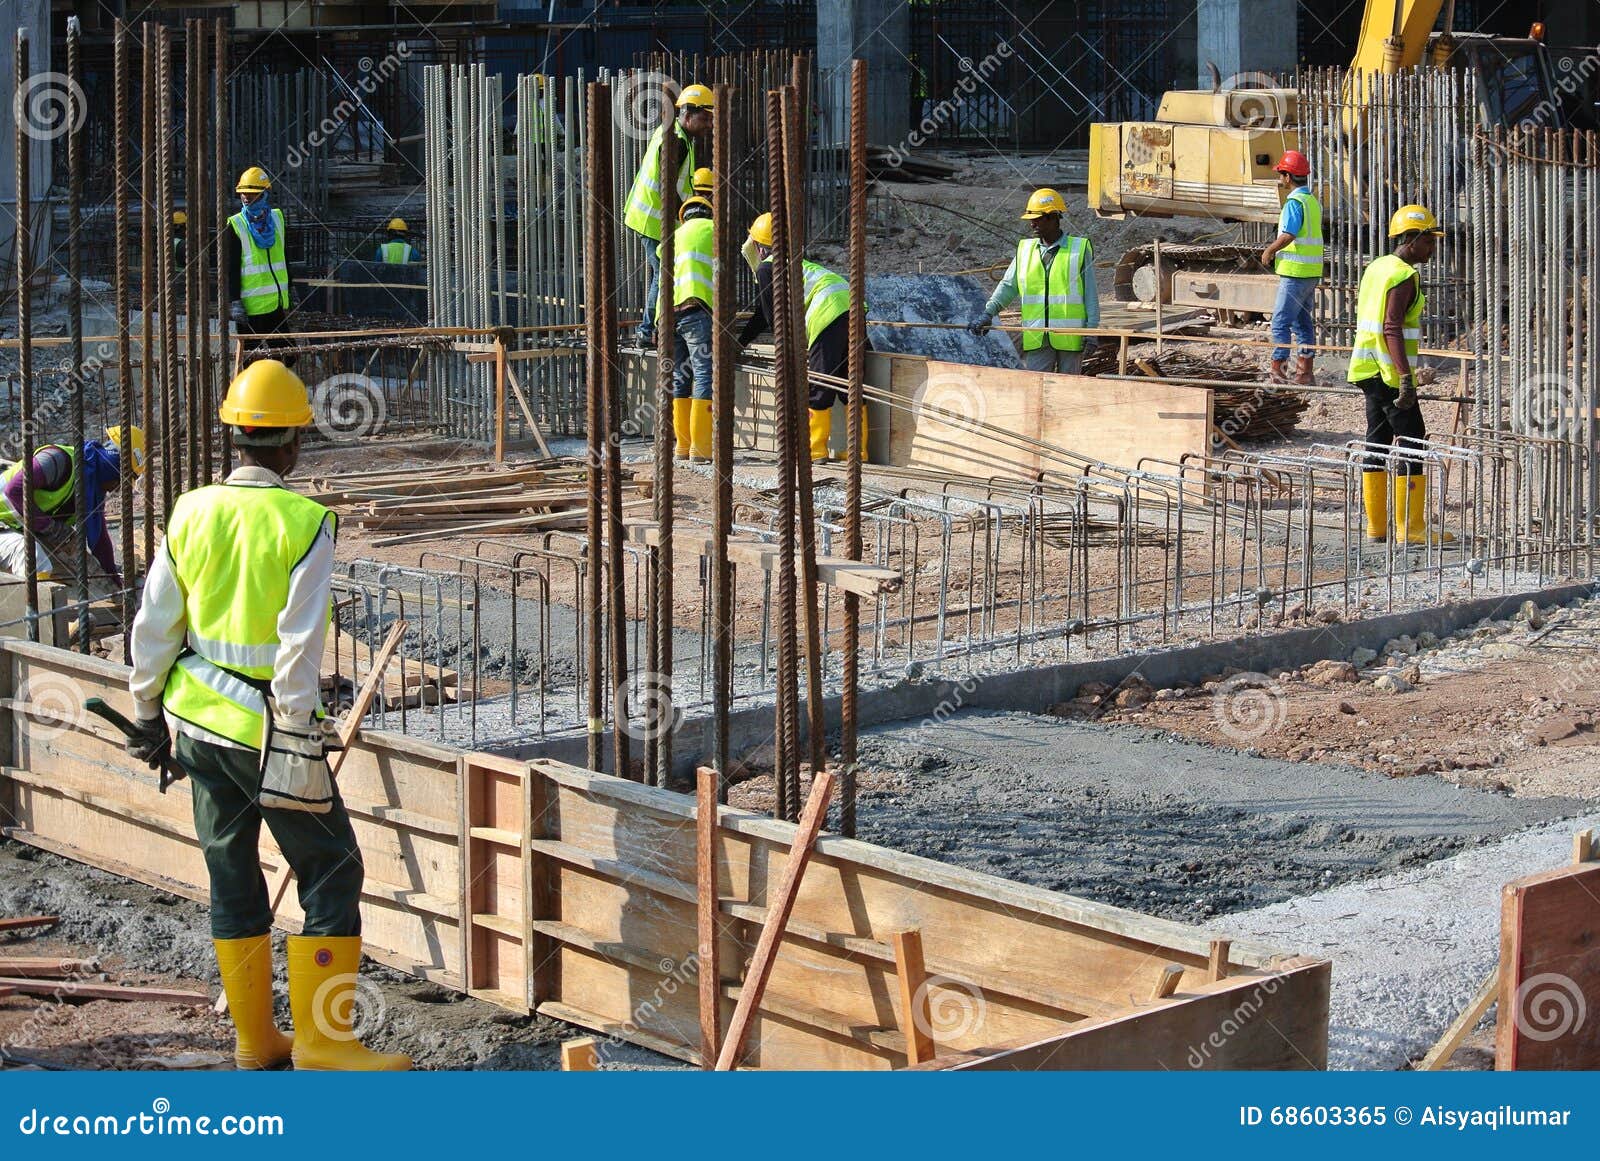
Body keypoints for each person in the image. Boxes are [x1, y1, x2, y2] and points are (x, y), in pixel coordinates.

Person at [126, 360, 410, 1071]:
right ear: (291, 447)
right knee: (333, 868)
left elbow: (155, 624)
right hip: (263, 731)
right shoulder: (305, 521)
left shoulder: (190, 509)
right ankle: (324, 1039)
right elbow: (298, 646)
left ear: (236, 437)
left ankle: (255, 1039)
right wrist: (296, 737)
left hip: (194, 723)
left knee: (232, 873)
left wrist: (146, 712)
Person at [1348, 204, 1453, 547]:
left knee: (1376, 441)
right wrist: (1406, 378)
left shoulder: (1378, 267)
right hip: (1390, 375)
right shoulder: (1403, 275)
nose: (1432, 247)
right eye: (1428, 240)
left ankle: (1377, 528)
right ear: (1411, 239)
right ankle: (1412, 528)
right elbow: (1391, 326)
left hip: (1367, 368)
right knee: (1414, 442)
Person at [738, 212, 868, 462]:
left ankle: (815, 449)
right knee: (848, 383)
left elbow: (770, 316)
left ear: (758, 246)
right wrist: (741, 340)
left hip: (828, 313)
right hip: (853, 308)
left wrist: (780, 350)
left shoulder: (768, 267)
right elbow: (764, 313)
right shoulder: (797, 262)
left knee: (819, 384)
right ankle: (858, 451)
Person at [969, 188, 1099, 373]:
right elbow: (1008, 286)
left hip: (1071, 337)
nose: (1032, 224)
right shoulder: (1025, 250)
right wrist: (988, 313)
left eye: (1037, 219)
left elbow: (1090, 293)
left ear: (1053, 217)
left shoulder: (1078, 249)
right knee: (1037, 388)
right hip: (1037, 336)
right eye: (1031, 219)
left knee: (1068, 390)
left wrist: (1091, 330)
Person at [623, 83, 713, 346]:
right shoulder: (676, 142)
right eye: (704, 118)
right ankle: (647, 330)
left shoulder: (676, 135)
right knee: (665, 274)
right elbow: (667, 186)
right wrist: (687, 218)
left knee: (661, 274)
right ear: (687, 114)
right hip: (652, 220)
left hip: (651, 217)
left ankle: (654, 326)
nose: (709, 125)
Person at [0, 427, 143, 590]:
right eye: (121, 480)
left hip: (17, 529)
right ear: (113, 465)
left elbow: (100, 540)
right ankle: (29, 613)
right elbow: (14, 491)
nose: (116, 488)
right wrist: (50, 527)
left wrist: (113, 579)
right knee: (34, 559)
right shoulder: (57, 461)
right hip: (3, 526)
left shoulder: (91, 489)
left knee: (73, 575)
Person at [1260, 150, 1323, 384]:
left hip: (1295, 274)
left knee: (1280, 322)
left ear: (1288, 176)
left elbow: (1289, 234)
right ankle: (1305, 373)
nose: (1280, 179)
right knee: (1303, 324)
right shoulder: (1312, 202)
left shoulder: (1294, 203)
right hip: (1311, 272)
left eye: (1281, 174)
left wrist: (1269, 250)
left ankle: (1278, 374)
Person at [662, 196, 715, 462]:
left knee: (680, 379)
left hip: (669, 315)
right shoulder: (713, 230)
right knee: (704, 374)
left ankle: (682, 447)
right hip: (697, 311)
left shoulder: (671, 237)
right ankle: (701, 449)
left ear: (685, 216)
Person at [225, 166, 292, 358]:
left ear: (264, 194)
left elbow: (284, 256)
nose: (246, 197)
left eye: (252, 194)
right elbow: (231, 268)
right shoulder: (236, 224)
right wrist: (234, 301)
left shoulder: (277, 219)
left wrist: (290, 288)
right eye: (243, 193)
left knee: (288, 355)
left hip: (275, 304)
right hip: (250, 308)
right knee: (251, 360)